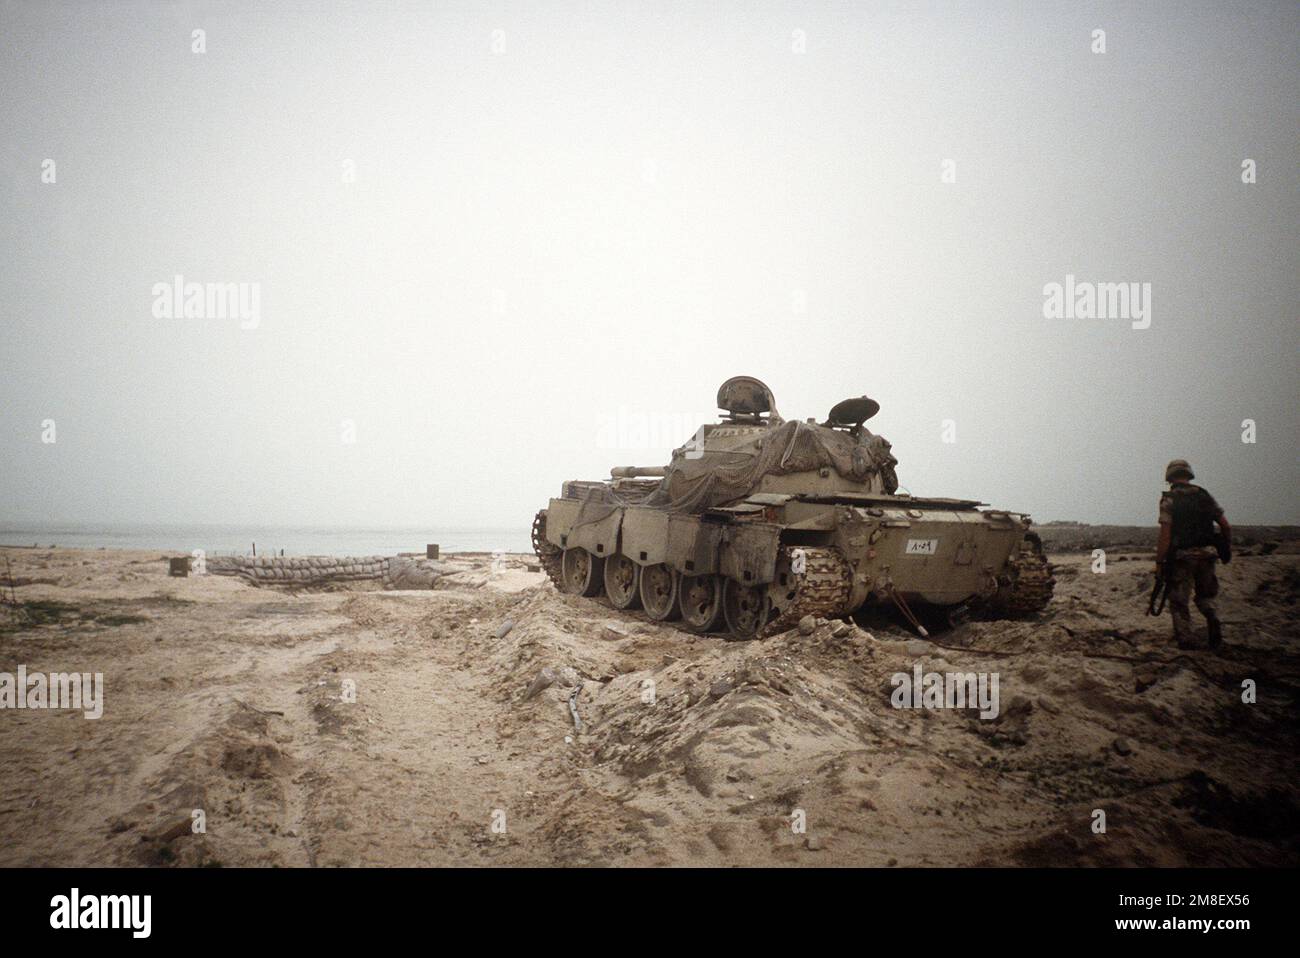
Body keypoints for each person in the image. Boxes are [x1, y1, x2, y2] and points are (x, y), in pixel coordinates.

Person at [1156, 459, 1230, 650]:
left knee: (1179, 601)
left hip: (1183, 557)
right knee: (1206, 596)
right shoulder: (1204, 496)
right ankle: (1212, 617)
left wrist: (1159, 561)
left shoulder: (1169, 499)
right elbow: (1224, 524)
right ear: (1189, 474)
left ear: (1170, 477)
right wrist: (1225, 547)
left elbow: (1165, 534)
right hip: (1208, 554)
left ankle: (1186, 641)